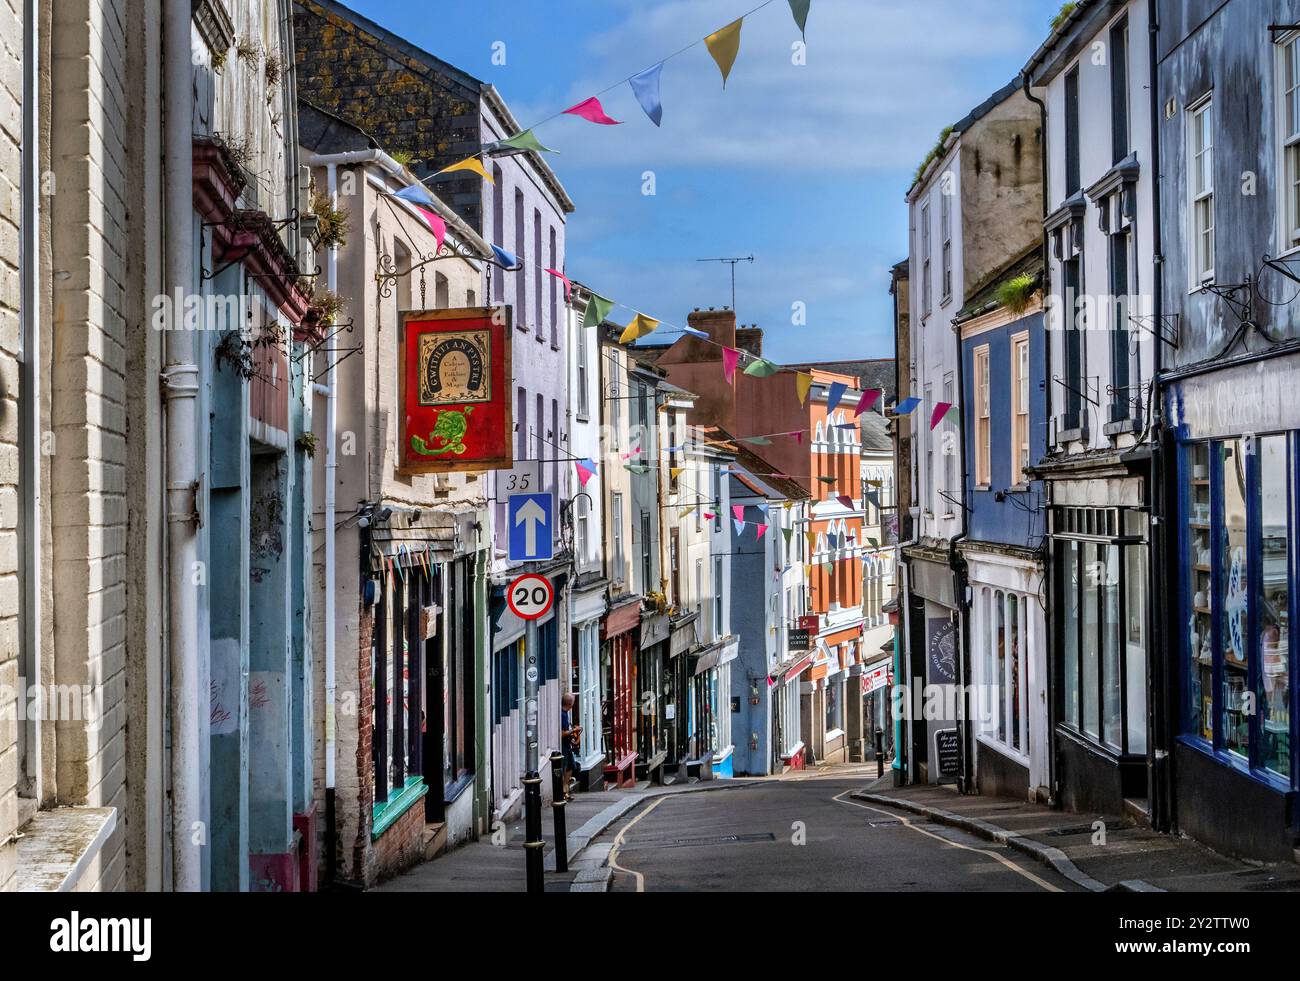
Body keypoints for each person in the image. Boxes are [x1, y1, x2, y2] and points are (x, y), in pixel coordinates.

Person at [560, 693, 582, 801]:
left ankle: (565, 790)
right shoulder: (563, 715)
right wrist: (574, 730)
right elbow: (562, 733)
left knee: (570, 767)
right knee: (564, 769)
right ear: (570, 703)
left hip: (567, 746)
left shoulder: (565, 713)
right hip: (563, 747)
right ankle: (563, 792)